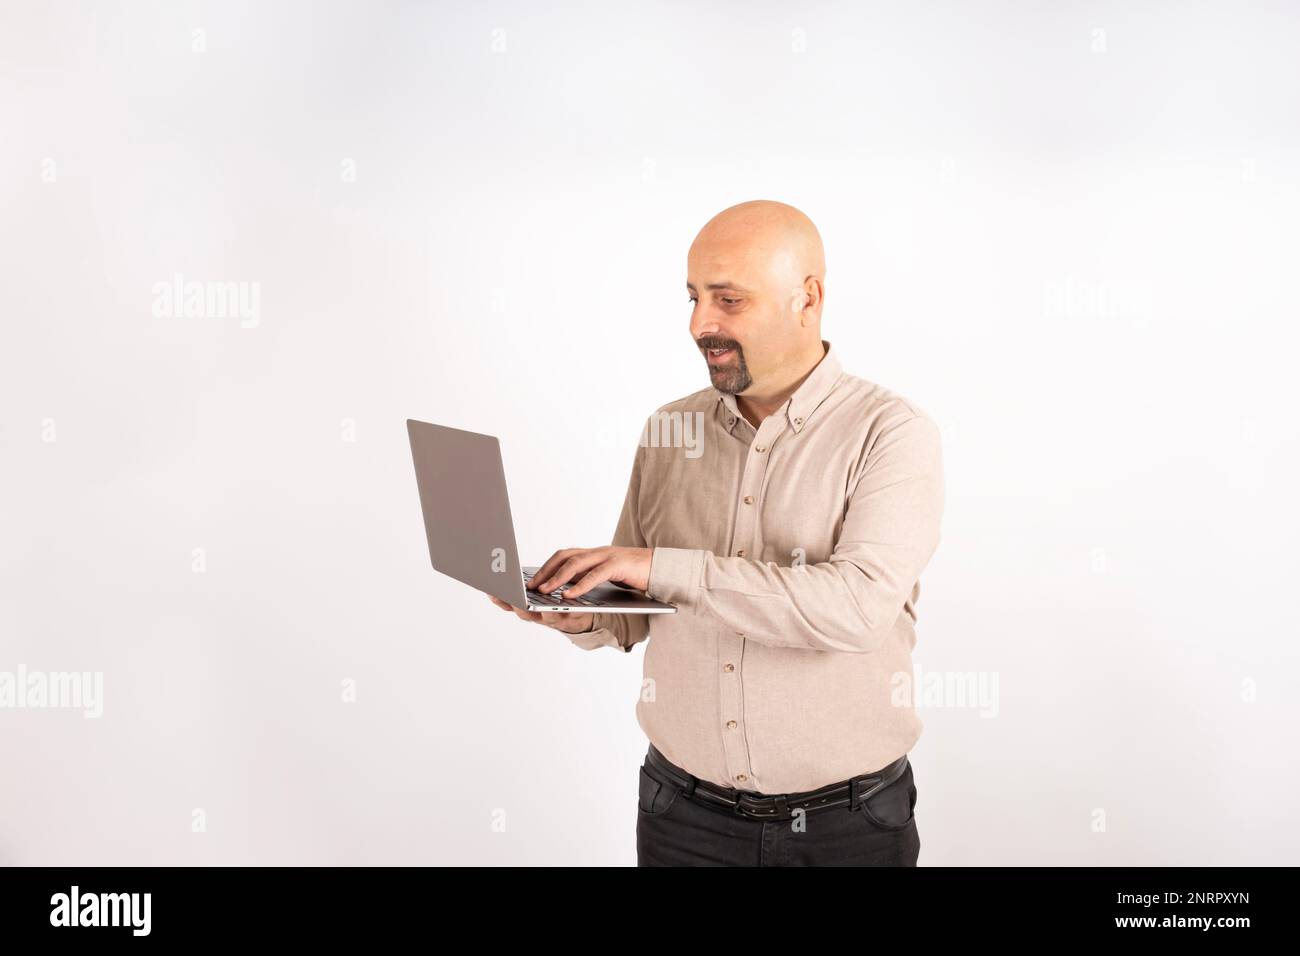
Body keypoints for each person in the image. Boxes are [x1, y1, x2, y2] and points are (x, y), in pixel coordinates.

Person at [489, 199, 944, 866]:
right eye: (694, 297)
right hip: (682, 820)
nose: (702, 323)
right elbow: (636, 614)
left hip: (846, 830)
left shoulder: (891, 433)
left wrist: (661, 567)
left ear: (808, 299)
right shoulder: (670, 431)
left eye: (728, 300)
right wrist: (570, 607)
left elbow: (855, 611)